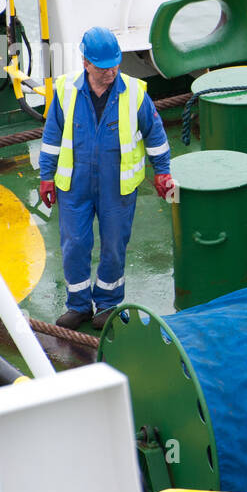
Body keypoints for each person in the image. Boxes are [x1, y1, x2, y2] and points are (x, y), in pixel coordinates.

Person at [38, 27, 174, 330]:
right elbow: (51, 138)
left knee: (114, 245)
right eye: (103, 66)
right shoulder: (65, 91)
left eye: (115, 64)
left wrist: (162, 171)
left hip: (117, 187)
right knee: (74, 243)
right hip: (75, 185)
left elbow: (156, 135)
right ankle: (79, 306)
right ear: (86, 62)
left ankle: (108, 304)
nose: (111, 72)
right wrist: (46, 176)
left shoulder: (135, 94)